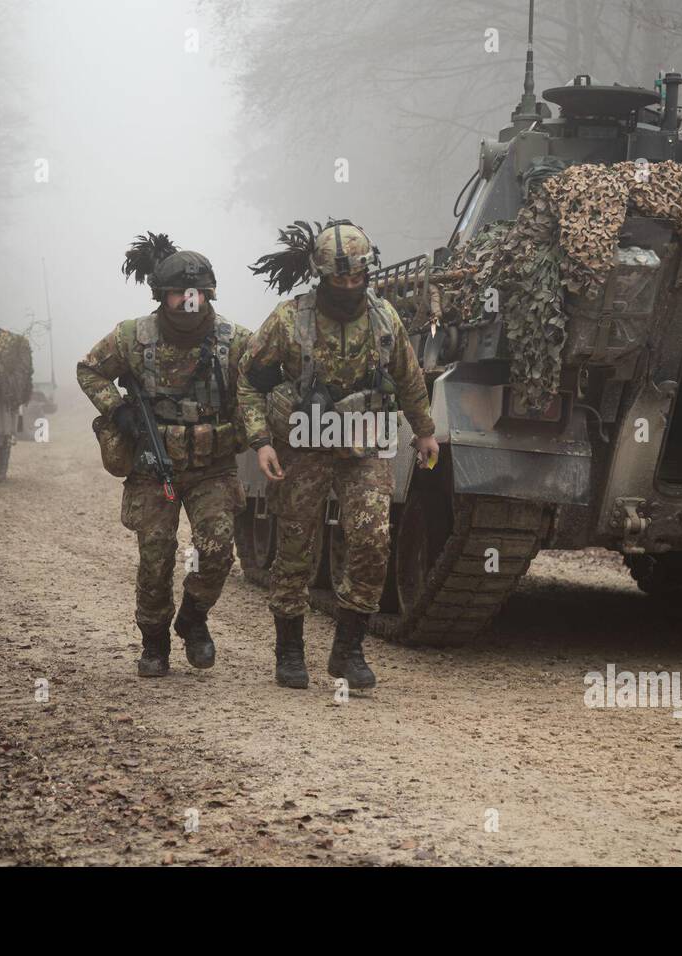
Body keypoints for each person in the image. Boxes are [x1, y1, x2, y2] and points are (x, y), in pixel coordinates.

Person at [239, 220, 438, 690]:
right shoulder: (289, 321)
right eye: (338, 279)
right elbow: (249, 381)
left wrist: (425, 431)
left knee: (372, 540)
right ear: (321, 275)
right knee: (295, 547)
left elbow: (409, 378)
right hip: (303, 446)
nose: (348, 287)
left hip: (363, 445)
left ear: (367, 273)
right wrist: (261, 440)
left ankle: (348, 649)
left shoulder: (385, 319)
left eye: (356, 278)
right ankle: (289, 649)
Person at [77, 234, 251, 677]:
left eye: (197, 292)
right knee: (156, 558)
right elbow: (90, 369)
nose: (189, 300)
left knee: (216, 552)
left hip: (213, 468)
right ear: (162, 294)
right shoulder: (133, 337)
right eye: (179, 292)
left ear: (209, 293)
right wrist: (119, 410)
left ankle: (193, 620)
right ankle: (153, 641)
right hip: (154, 470)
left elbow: (266, 377)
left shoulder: (235, 341)